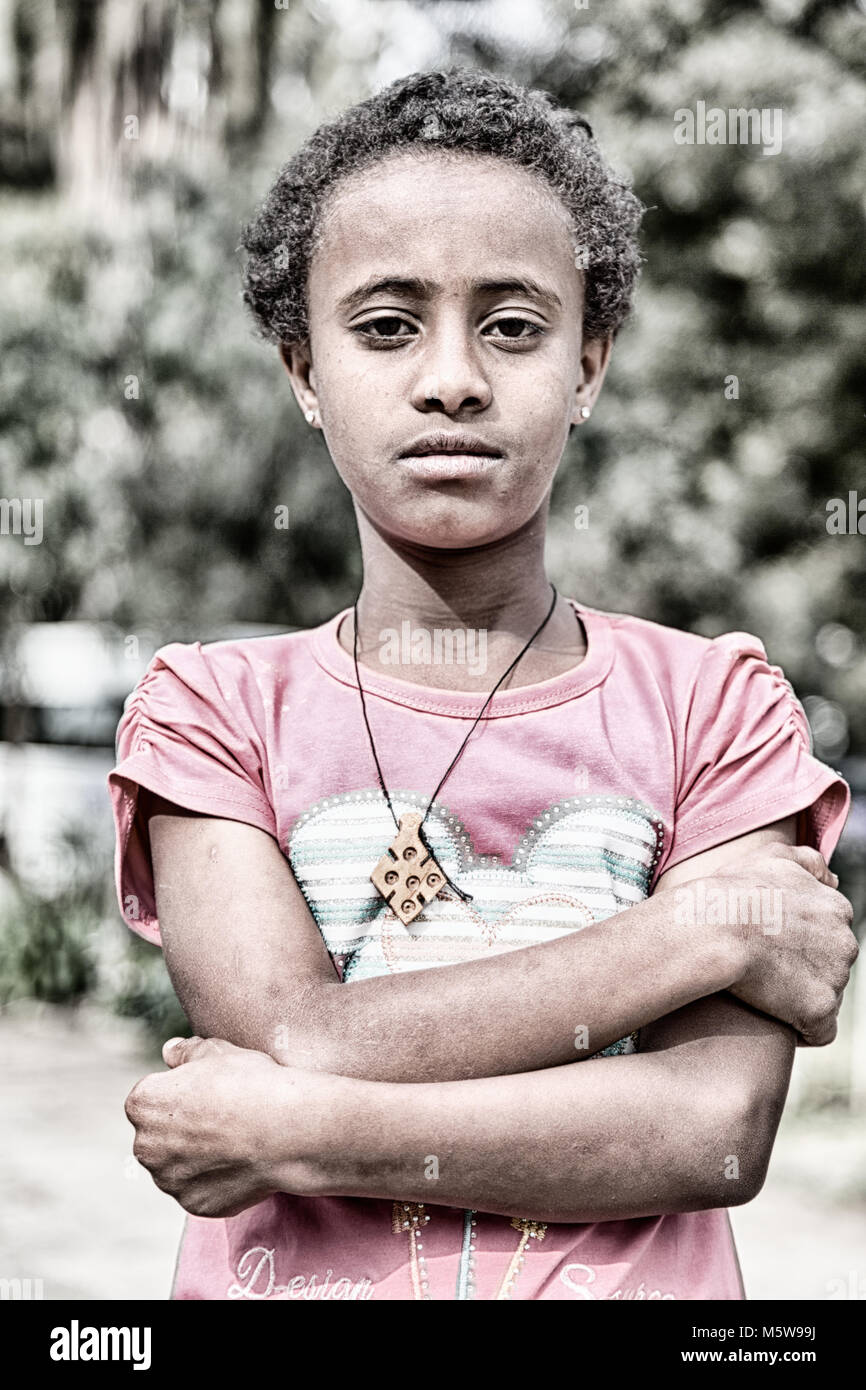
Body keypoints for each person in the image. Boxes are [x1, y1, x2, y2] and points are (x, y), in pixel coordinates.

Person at [110, 69, 857, 1302]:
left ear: (589, 364)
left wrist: (295, 1132)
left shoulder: (711, 707)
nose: (450, 378)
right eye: (386, 325)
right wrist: (700, 926)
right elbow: (292, 1029)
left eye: (511, 325)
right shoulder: (213, 712)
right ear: (303, 369)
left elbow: (710, 1132)